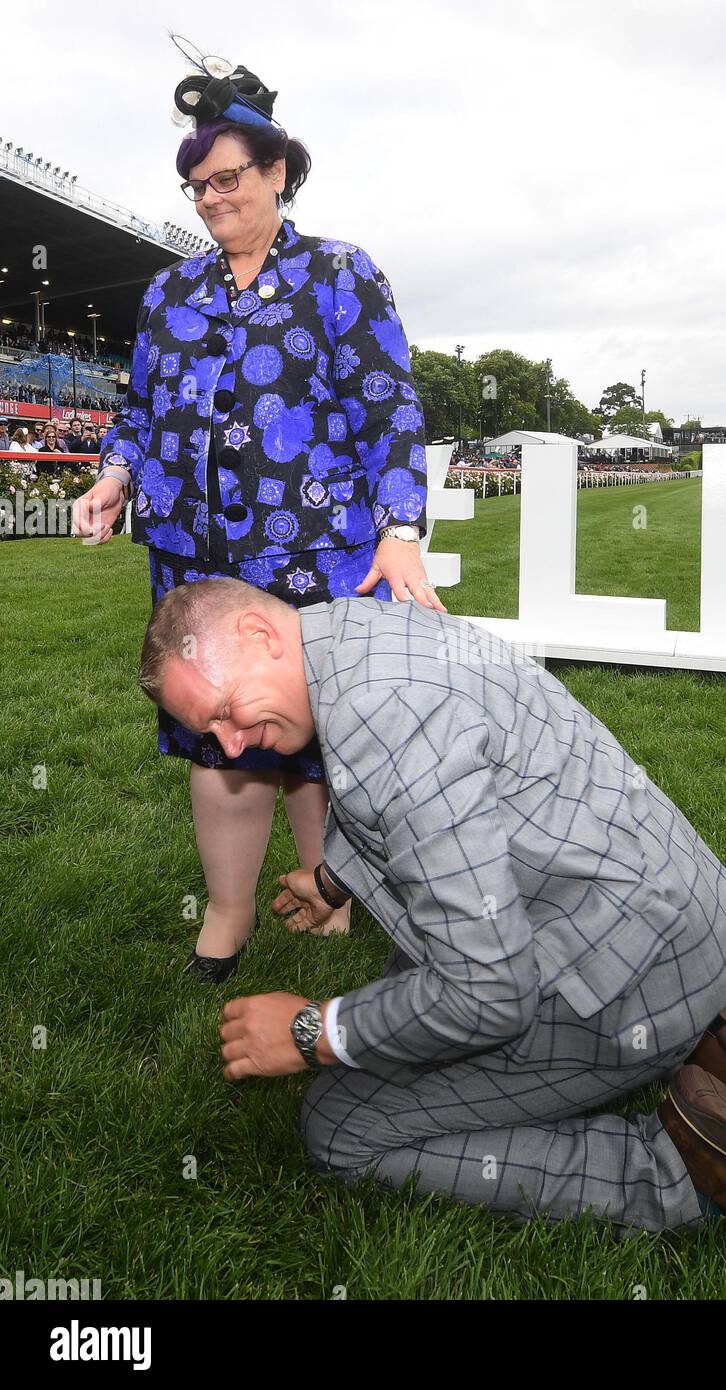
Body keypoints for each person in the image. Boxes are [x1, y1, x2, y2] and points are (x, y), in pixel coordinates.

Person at [136, 576, 726, 1241]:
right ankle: (708, 1045)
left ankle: (682, 1171)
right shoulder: (363, 632)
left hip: (623, 983)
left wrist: (308, 1031)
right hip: (674, 919)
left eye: (227, 713)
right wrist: (336, 880)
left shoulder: (380, 719)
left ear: (259, 635)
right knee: (409, 984)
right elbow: (464, 809)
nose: (231, 748)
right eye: (211, 735)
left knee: (343, 1125)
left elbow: (486, 993)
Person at [72, 45, 445, 982]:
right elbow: (142, 412)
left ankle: (323, 890)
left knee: (310, 732)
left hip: (317, 551)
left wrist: (400, 529)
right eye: (195, 185)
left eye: (228, 178)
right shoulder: (167, 293)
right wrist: (115, 476)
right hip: (193, 557)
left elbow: (388, 408)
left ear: (279, 172)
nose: (209, 198)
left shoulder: (339, 274)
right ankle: (229, 914)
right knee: (221, 734)